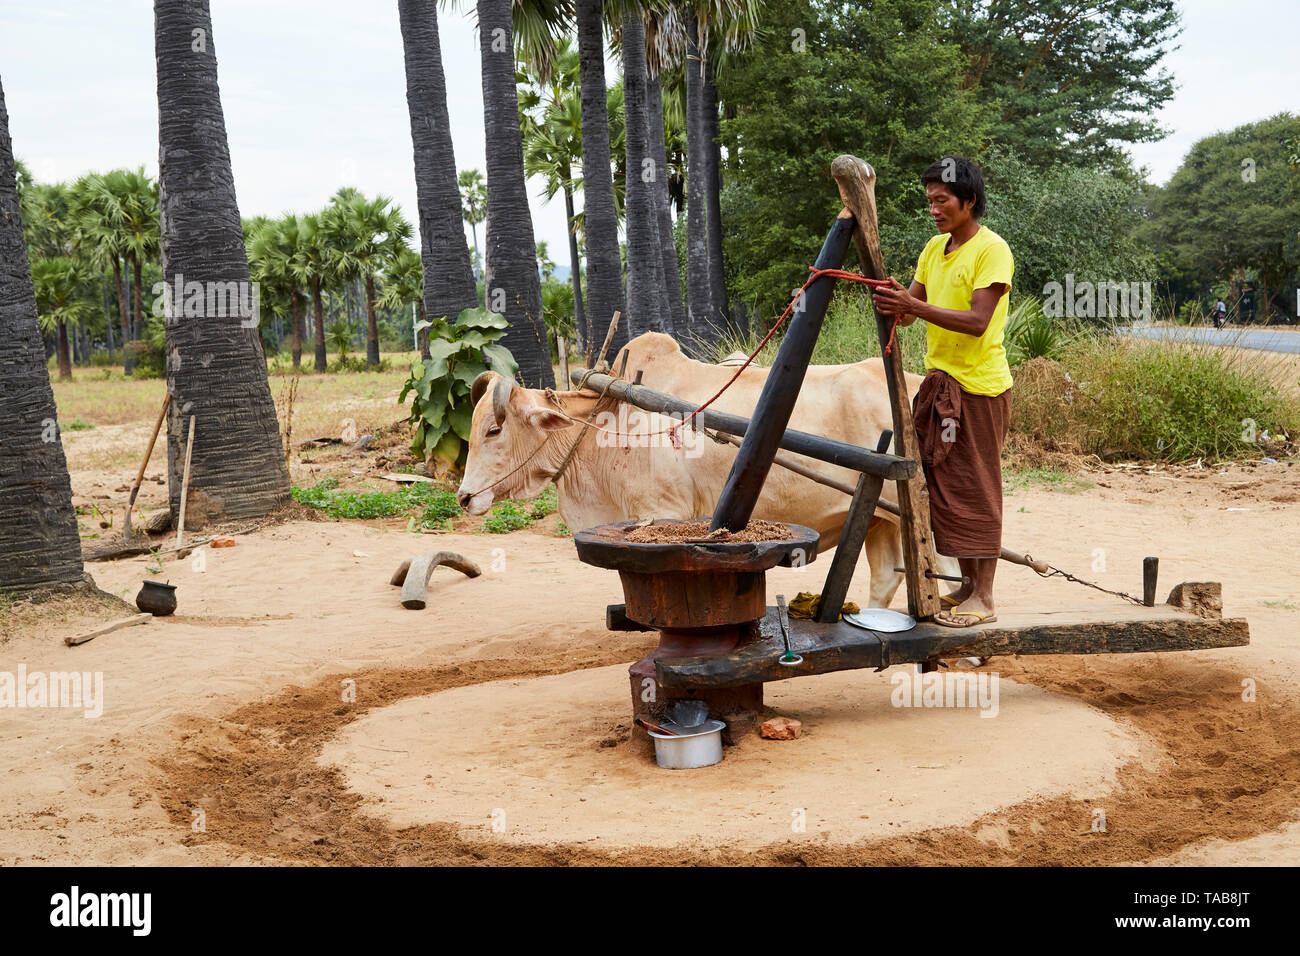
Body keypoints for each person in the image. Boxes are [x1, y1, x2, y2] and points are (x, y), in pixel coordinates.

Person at [870, 156, 1014, 628]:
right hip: (940, 387)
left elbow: (976, 323)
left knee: (977, 486)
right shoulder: (935, 249)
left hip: (978, 389)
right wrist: (897, 300)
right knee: (946, 487)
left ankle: (985, 598)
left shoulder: (992, 250)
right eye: (929, 201)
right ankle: (967, 587)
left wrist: (912, 304)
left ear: (968, 201)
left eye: (942, 200)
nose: (934, 209)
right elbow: (913, 311)